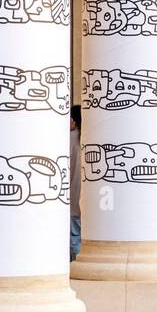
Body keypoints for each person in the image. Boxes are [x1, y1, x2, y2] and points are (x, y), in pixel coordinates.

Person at [69, 105, 82, 260]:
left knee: (74, 234)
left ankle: (77, 263)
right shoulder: (92, 138)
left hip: (73, 196)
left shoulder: (69, 139)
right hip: (93, 200)